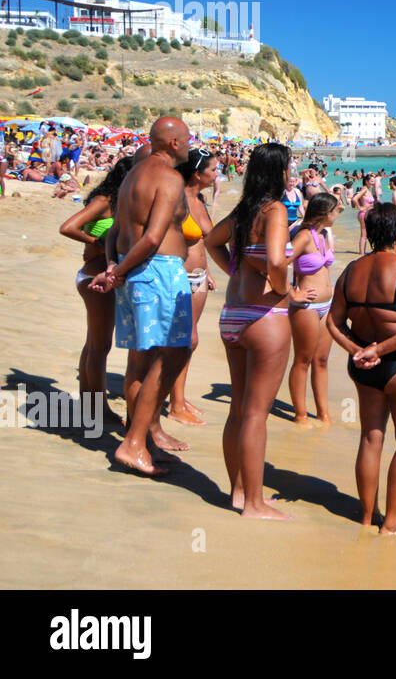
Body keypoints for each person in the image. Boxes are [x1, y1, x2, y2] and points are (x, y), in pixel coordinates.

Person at [207, 143, 317, 518]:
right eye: (290, 167)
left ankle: (239, 493)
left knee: (238, 410)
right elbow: (275, 260)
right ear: (279, 172)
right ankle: (254, 504)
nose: (293, 172)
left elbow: (211, 240)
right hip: (264, 317)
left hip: (232, 314)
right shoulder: (274, 210)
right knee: (256, 414)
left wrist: (236, 271)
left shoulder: (244, 210)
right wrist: (289, 292)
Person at [88, 118, 193, 476]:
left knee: (139, 362)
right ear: (175, 141)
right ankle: (133, 443)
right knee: (176, 351)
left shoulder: (133, 175)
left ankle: (142, 438)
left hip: (134, 273)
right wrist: (115, 272)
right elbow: (151, 238)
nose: (189, 145)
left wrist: (115, 268)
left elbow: (113, 234)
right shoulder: (170, 177)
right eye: (188, 139)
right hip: (158, 271)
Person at [326, 203, 396, 533]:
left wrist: (359, 350)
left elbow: (333, 321)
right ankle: (393, 522)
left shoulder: (351, 270)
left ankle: (368, 516)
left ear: (369, 233)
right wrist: (379, 349)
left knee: (371, 438)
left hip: (363, 368)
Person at [59, 155, 133, 428]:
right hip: (93, 276)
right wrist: (99, 242)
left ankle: (89, 405)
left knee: (95, 343)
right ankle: (96, 409)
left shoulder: (123, 204)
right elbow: (68, 227)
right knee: (100, 345)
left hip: (100, 277)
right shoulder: (105, 201)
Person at [168, 148, 220, 427]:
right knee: (184, 340)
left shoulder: (199, 199)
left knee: (190, 341)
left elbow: (203, 240)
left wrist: (209, 270)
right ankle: (175, 404)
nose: (216, 174)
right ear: (198, 174)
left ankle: (179, 396)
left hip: (199, 277)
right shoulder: (176, 199)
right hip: (180, 278)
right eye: (212, 170)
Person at [288, 192, 342, 425]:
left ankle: (323, 413)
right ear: (325, 213)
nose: (338, 213)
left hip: (326, 305)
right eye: (335, 210)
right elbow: (278, 263)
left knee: (321, 360)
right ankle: (300, 414)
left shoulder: (324, 234)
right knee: (303, 359)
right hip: (306, 306)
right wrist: (293, 294)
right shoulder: (303, 236)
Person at [353, 175, 376, 255]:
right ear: (366, 181)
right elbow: (354, 199)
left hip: (367, 214)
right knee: (364, 235)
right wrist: (360, 208)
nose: (374, 182)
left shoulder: (368, 190)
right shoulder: (365, 189)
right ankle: (361, 254)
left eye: (374, 181)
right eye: (372, 181)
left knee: (366, 234)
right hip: (363, 214)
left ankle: (363, 252)